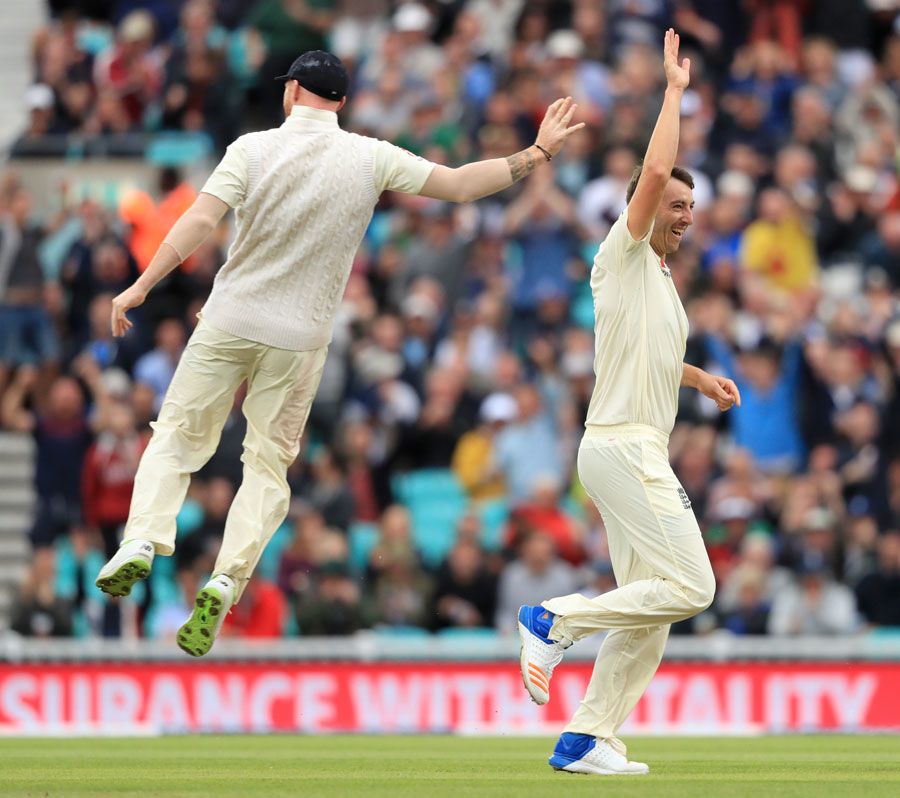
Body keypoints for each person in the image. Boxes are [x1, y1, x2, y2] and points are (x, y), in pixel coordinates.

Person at [94, 49, 585, 658]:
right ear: (342, 103)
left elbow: (199, 221)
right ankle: (227, 578)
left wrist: (142, 286)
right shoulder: (369, 155)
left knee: (177, 438)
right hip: (300, 339)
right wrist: (535, 155)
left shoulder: (250, 148)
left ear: (293, 91)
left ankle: (142, 538)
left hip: (229, 321)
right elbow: (459, 186)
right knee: (266, 466)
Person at [516, 30, 741, 777]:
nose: (685, 212)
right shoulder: (624, 249)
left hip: (626, 445)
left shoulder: (662, 287)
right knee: (694, 587)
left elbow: (647, 355)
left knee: (654, 610)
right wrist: (674, 91)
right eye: (674, 202)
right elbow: (651, 167)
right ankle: (555, 619)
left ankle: (586, 737)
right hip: (623, 446)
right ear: (644, 208)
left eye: (692, 204)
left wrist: (698, 377)